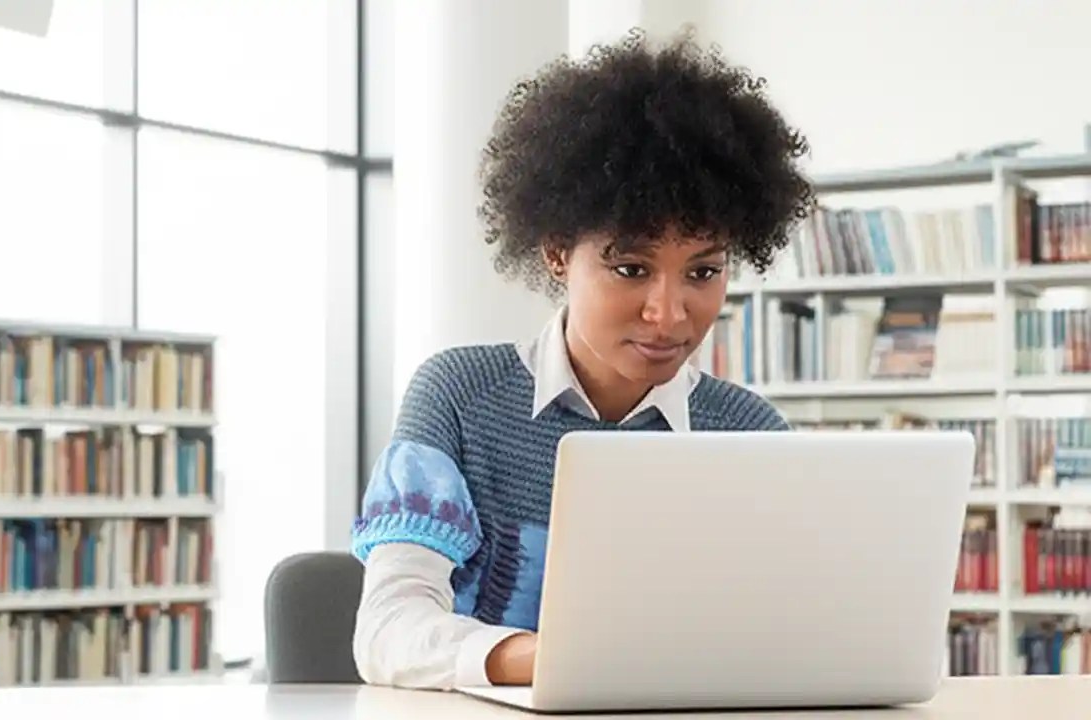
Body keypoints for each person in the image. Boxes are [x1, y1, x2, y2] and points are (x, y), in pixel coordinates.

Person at [349, 28, 815, 690]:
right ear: (558, 252)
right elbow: (389, 629)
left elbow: (791, 630)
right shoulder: (460, 397)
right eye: (630, 268)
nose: (669, 312)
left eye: (703, 272)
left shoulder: (749, 430)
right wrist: (551, 660)